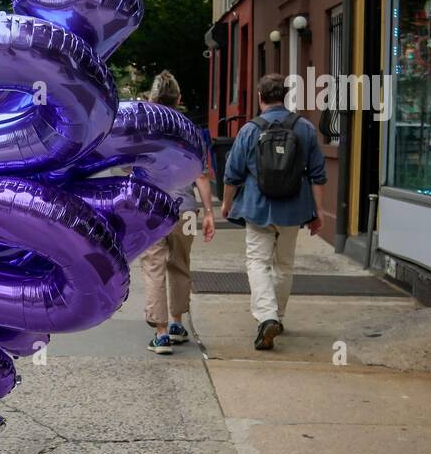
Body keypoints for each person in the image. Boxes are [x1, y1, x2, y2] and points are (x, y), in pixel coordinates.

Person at [221, 72, 327, 351]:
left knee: (257, 262)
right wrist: (318, 212)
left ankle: (267, 316)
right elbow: (317, 174)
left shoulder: (249, 129)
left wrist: (226, 203)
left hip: (257, 205)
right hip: (293, 208)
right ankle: (277, 316)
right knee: (284, 264)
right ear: (285, 96)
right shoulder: (304, 127)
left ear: (260, 97)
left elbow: (233, 173)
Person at [138, 71, 215, 354]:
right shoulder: (192, 132)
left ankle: (160, 335)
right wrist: (208, 212)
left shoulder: (144, 131)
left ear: (152, 98)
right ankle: (176, 323)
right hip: (187, 211)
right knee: (181, 264)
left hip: (152, 209)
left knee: (153, 266)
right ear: (179, 99)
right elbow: (202, 176)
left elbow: (127, 168)